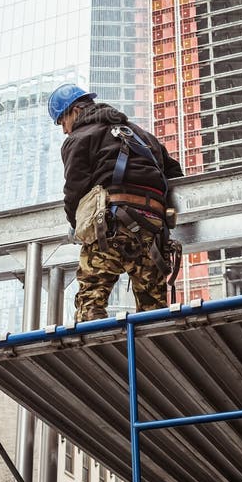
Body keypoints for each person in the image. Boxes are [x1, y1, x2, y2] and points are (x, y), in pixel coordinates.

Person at [48, 83, 183, 321]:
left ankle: (97, 345)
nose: (64, 130)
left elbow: (75, 191)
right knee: (155, 315)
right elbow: (175, 175)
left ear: (75, 111)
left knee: (90, 306)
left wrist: (78, 227)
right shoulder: (142, 135)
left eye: (62, 122)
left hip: (110, 228)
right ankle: (154, 344)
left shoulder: (79, 138)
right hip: (153, 232)